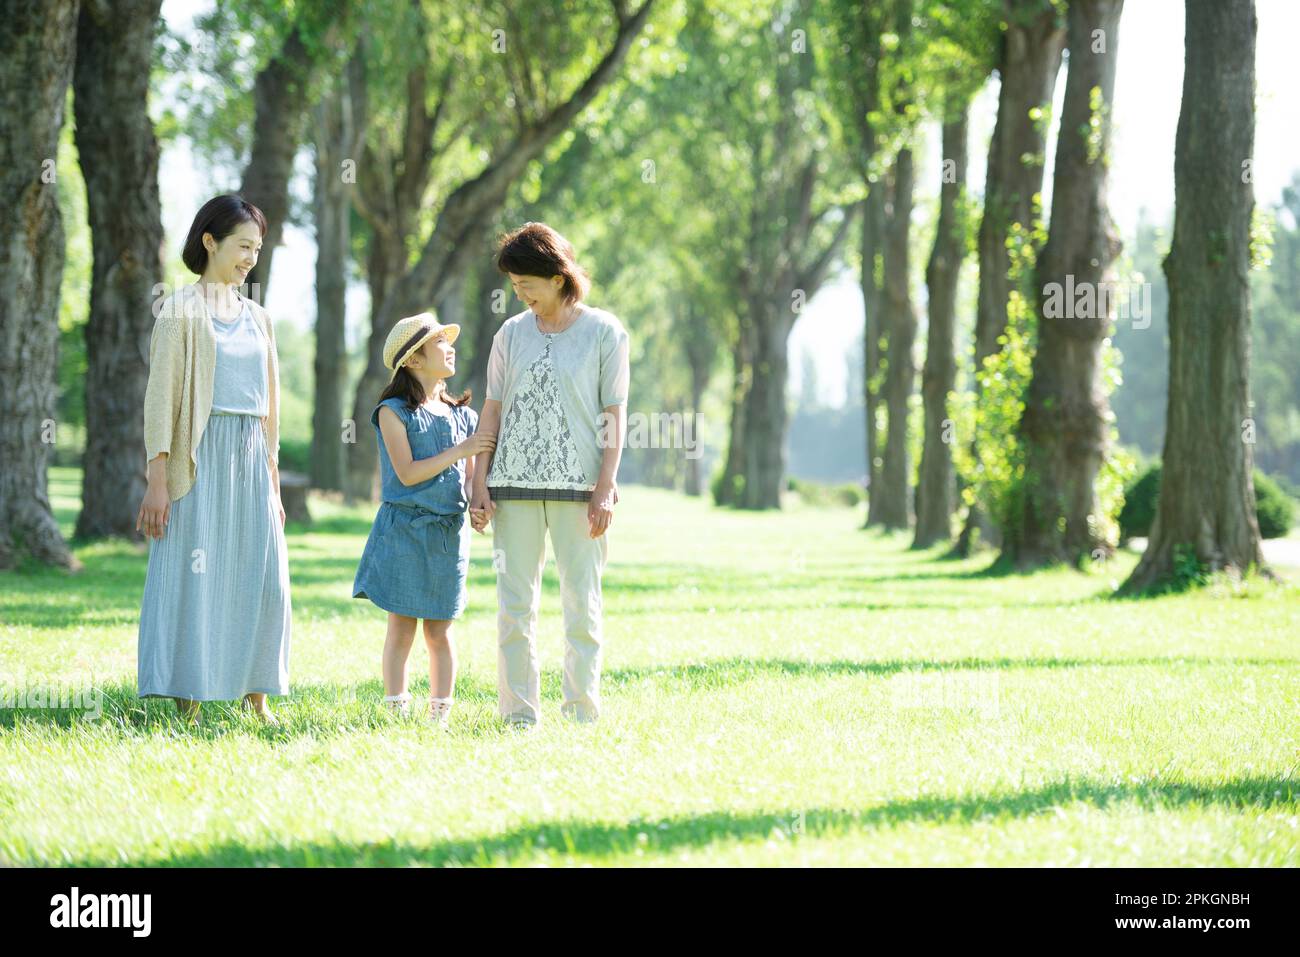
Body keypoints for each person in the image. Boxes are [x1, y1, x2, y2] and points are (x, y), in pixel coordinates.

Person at [136, 194, 290, 725]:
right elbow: (161, 402)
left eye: (257, 248)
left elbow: (271, 407)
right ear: (210, 241)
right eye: (243, 246)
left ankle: (257, 697)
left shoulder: (259, 319)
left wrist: (273, 481)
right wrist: (157, 479)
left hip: (250, 458)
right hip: (199, 459)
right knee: (195, 576)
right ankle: (190, 700)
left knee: (262, 575)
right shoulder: (180, 312)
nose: (251, 258)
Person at [469, 222, 630, 729]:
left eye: (526, 285)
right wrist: (479, 479)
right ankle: (519, 714)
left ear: (557, 277)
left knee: (581, 604)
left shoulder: (605, 332)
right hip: (512, 488)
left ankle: (582, 711)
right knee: (515, 607)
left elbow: (614, 415)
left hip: (581, 491)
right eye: (515, 287)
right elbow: (491, 411)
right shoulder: (510, 334)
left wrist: (606, 487)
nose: (520, 295)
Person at [353, 313, 496, 728]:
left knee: (440, 631)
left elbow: (469, 479)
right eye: (440, 343)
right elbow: (408, 473)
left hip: (447, 536)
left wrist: (477, 504)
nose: (450, 348)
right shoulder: (392, 412)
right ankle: (396, 710)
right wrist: (463, 448)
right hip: (404, 531)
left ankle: (439, 715)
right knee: (401, 628)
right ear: (414, 359)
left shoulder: (462, 415)